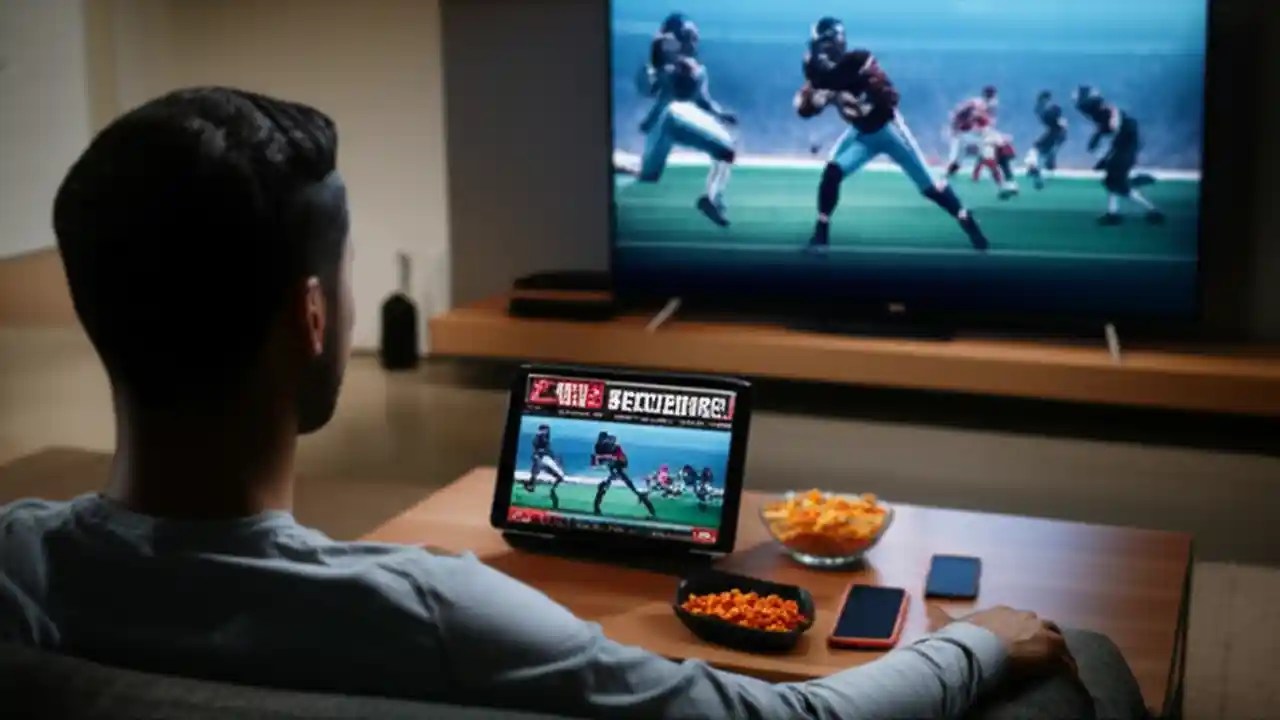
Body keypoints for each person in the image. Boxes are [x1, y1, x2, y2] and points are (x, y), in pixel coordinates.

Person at [0, 87, 1148, 719]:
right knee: (1081, 665)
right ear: (312, 318)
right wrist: (976, 646)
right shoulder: (428, 610)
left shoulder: (19, 568)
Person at [796, 19, 990, 253]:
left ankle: (965, 218)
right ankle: (821, 234)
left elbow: (843, 79)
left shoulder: (858, 59)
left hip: (889, 130)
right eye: (820, 46)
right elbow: (807, 109)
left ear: (837, 41)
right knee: (831, 172)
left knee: (930, 187)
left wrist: (819, 79)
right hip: (861, 132)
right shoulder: (825, 78)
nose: (822, 51)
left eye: (825, 44)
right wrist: (809, 98)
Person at [636, 12, 738, 227]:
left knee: (727, 149)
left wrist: (720, 114)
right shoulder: (662, 65)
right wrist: (658, 63)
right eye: (687, 35)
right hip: (667, 121)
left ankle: (712, 198)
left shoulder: (698, 71)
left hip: (682, 120)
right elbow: (648, 88)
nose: (693, 41)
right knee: (646, 175)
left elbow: (703, 100)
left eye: (694, 36)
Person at [1074, 85, 1163, 225]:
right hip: (1123, 145)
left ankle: (1150, 210)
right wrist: (1104, 154)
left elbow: (1113, 123)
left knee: (1117, 183)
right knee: (1112, 182)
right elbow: (1112, 131)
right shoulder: (1101, 114)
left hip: (1125, 146)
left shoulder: (1107, 112)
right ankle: (1114, 213)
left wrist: (1103, 148)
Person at [590, 433, 657, 519]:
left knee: (636, 490)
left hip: (620, 466)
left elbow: (620, 459)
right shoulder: (598, 447)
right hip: (611, 468)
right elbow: (595, 463)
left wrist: (605, 458)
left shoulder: (616, 448)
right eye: (601, 440)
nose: (602, 442)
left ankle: (652, 511)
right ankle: (596, 509)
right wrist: (601, 461)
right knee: (602, 488)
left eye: (603, 440)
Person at [1025, 90, 1068, 190]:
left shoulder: (1053, 110)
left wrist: (1058, 139)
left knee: (1046, 154)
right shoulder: (1040, 109)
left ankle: (1040, 174)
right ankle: (1036, 169)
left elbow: (1062, 124)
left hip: (1057, 134)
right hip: (1053, 133)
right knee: (1038, 150)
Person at [526, 424, 568, 504]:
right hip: (542, 458)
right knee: (535, 474)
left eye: (547, 430)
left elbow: (546, 450)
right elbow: (537, 449)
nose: (546, 432)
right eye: (545, 430)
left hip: (546, 459)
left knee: (560, 476)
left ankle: (551, 490)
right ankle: (532, 487)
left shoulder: (544, 438)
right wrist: (538, 456)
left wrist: (554, 458)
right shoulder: (538, 438)